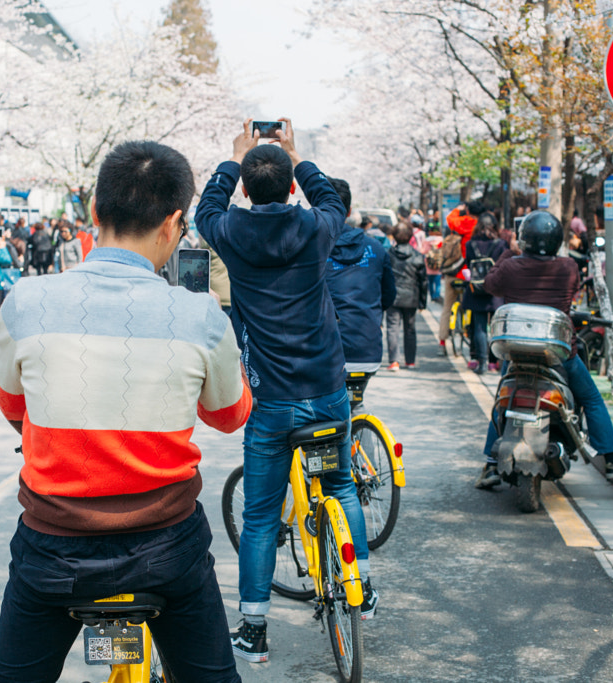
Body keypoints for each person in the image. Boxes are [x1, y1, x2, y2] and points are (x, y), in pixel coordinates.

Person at [0, 140, 250, 683]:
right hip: (167, 549)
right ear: (176, 223)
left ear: (93, 212)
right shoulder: (198, 313)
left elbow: (13, 403)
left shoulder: (27, 301)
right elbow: (229, 415)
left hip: (52, 552)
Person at [195, 118, 377, 664]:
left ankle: (253, 630)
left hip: (271, 399)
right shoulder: (318, 228)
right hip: (325, 387)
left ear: (246, 189)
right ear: (292, 184)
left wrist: (235, 157)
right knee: (342, 487)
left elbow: (206, 207)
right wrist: (295, 154)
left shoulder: (229, 230)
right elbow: (329, 197)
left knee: (259, 517)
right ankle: (361, 589)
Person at [475, 211, 613, 488]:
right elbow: (573, 290)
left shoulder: (510, 266)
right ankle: (612, 459)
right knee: (591, 399)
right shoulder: (568, 267)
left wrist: (508, 254)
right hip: (559, 355)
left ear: (524, 239)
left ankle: (491, 464)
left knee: (502, 402)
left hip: (516, 354)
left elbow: (490, 285)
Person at [324, 177, 396, 377]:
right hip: (368, 351)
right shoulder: (376, 248)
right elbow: (388, 296)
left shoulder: (312, 248)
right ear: (349, 211)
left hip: (324, 354)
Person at [462, 213, 508, 374]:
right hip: (496, 291)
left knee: (480, 328)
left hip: (477, 289)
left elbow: (468, 264)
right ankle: (494, 362)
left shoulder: (470, 244)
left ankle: (481, 362)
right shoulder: (501, 244)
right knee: (497, 328)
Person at [438, 202, 480, 355]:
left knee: (447, 308)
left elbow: (449, 218)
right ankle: (469, 334)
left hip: (453, 272)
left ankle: (442, 342)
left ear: (467, 210)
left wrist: (458, 209)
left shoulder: (460, 223)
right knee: (470, 306)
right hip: (470, 274)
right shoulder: (479, 226)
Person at [387, 224, 427, 370]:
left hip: (393, 297)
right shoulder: (417, 256)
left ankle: (394, 361)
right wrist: (423, 302)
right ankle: (410, 361)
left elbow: (383, 277)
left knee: (392, 328)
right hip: (411, 297)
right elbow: (423, 282)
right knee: (410, 329)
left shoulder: (389, 254)